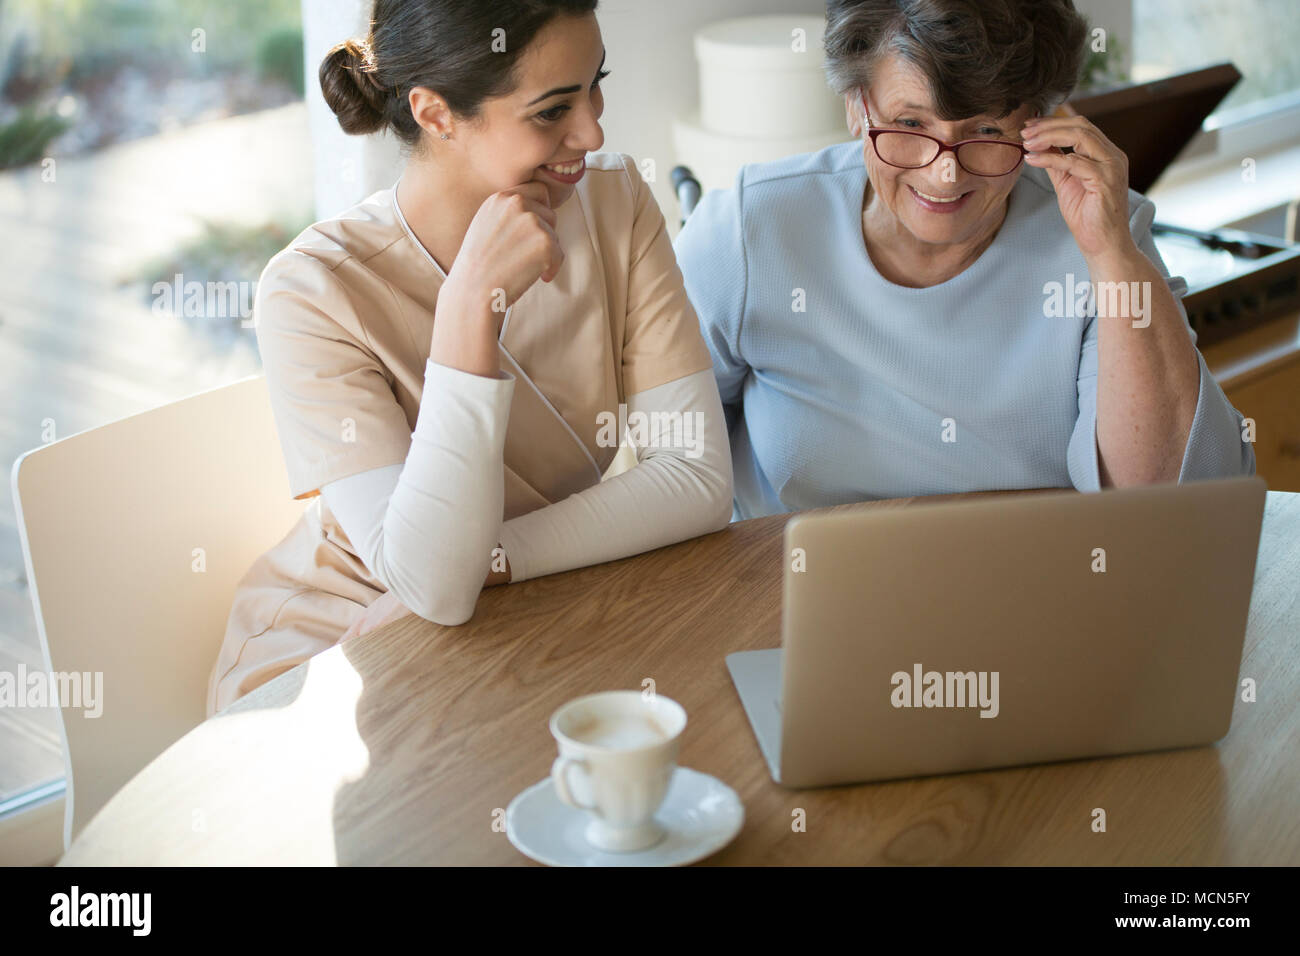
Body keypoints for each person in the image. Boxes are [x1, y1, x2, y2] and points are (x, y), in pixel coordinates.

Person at [206, 0, 732, 716]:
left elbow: (697, 478)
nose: (593, 129)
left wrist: (493, 560)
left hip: (518, 609)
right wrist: (469, 308)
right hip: (337, 645)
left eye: (594, 84)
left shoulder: (616, 203)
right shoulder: (312, 290)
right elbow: (429, 582)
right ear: (434, 113)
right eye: (551, 111)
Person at [674, 0, 1253, 522]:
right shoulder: (751, 229)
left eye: (985, 130)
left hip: (1038, 606)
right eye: (910, 125)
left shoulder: (1101, 234)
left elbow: (1172, 505)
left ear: (1039, 120)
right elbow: (671, 465)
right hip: (787, 606)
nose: (944, 174)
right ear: (857, 105)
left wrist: (1111, 255)